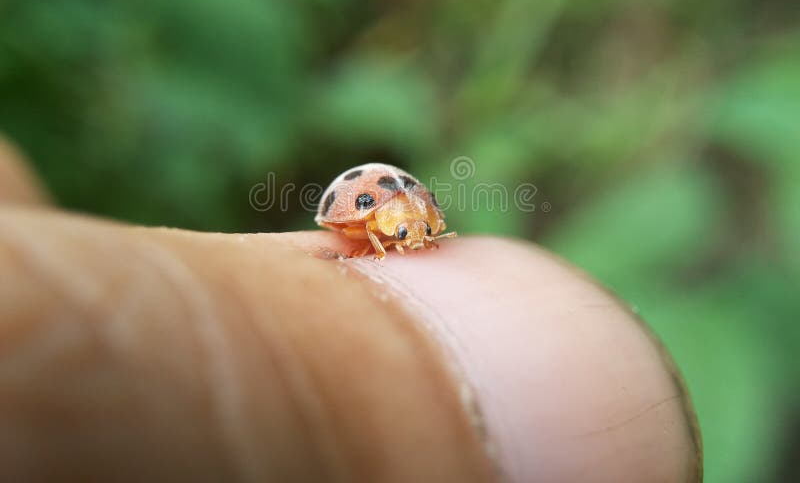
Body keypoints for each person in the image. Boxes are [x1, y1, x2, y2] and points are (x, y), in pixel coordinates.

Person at [0, 138, 701, 482]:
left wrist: (413, 227)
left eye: (414, 230)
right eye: (406, 232)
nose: (413, 240)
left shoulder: (412, 212)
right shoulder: (368, 217)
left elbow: (410, 222)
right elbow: (371, 221)